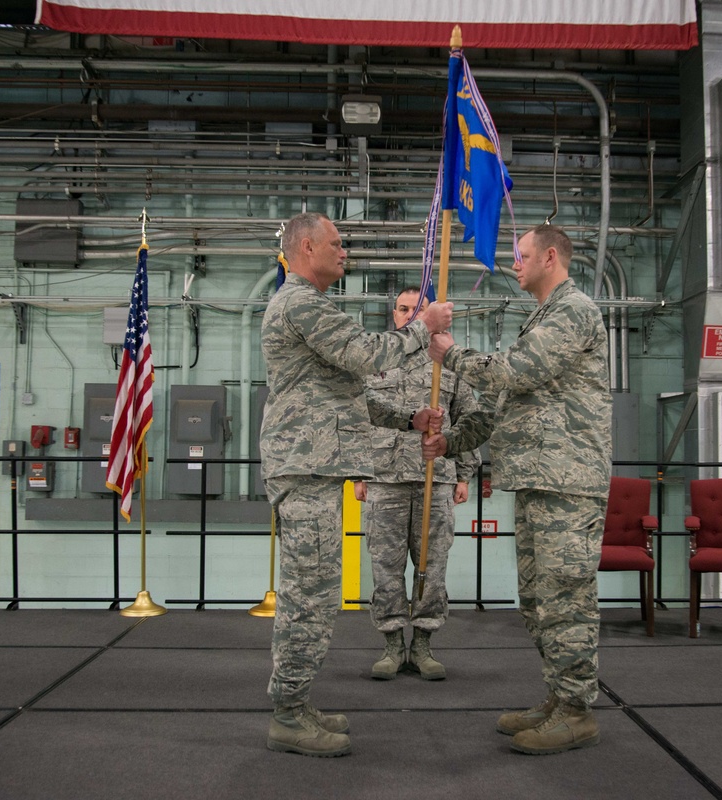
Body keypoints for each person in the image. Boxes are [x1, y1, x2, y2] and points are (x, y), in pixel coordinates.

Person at [260, 211, 452, 758]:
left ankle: (297, 703)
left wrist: (405, 418)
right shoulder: (299, 303)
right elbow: (366, 355)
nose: (345, 253)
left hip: (314, 467)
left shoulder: (306, 304)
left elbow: (346, 392)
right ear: (305, 248)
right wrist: (426, 325)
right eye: (337, 244)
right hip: (307, 468)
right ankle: (288, 714)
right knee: (310, 598)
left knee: (315, 593)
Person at [422, 223, 612, 755]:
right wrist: (453, 441)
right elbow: (506, 407)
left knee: (567, 597)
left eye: (522, 254)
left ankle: (577, 711)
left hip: (567, 482)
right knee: (537, 599)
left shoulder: (574, 311)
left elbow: (520, 372)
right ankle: (559, 695)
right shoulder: (541, 318)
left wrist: (452, 356)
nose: (515, 263)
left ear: (551, 257)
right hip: (537, 480)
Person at [354, 287, 481, 681]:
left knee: (433, 567)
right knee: (385, 568)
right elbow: (358, 419)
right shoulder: (373, 361)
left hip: (436, 479)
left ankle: (423, 646)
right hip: (385, 480)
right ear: (394, 315)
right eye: (404, 309)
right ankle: (392, 645)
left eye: (419, 310)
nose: (411, 316)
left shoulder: (448, 362)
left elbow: (469, 419)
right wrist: (359, 472)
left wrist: (464, 473)